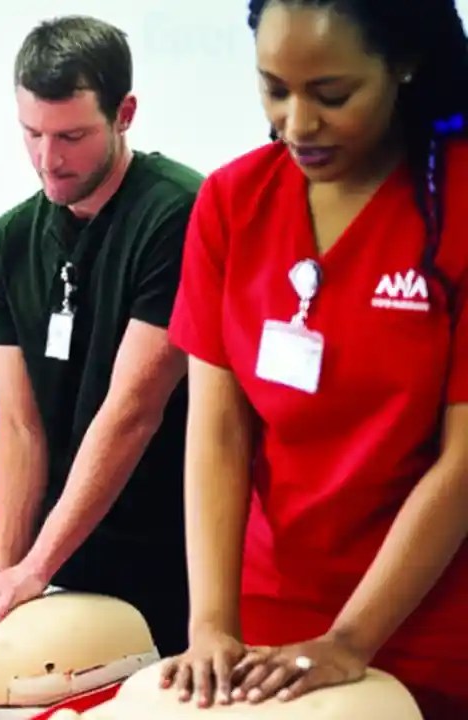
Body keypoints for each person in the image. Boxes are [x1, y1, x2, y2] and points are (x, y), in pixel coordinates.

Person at [161, 1, 468, 717]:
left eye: (331, 95)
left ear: (404, 65)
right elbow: (218, 433)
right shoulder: (233, 201)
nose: (297, 123)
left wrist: (350, 639)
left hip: (426, 625)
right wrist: (211, 622)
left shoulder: (456, 203)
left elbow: (463, 462)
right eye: (274, 88)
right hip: (266, 622)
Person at [0, 16, 201, 655]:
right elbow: (20, 426)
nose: (48, 159)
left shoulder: (179, 215)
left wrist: (34, 569)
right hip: (61, 557)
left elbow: (132, 412)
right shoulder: (10, 242)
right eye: (32, 133)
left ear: (124, 113)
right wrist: (2, 574)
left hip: (170, 557)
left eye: (72, 136)